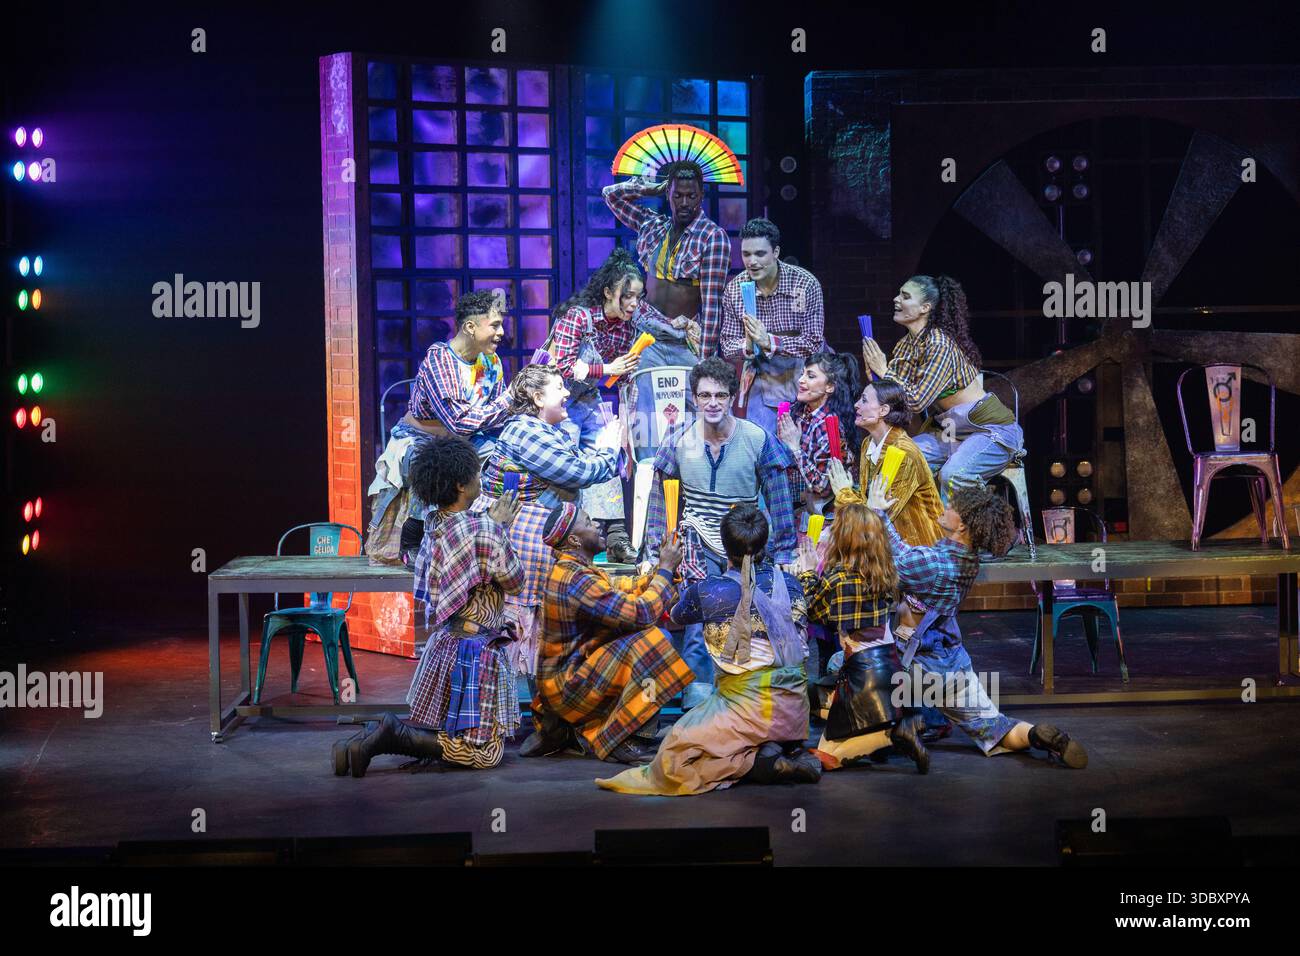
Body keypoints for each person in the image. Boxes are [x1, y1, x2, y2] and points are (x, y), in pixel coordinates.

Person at [856, 469, 1088, 768]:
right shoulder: (965, 560)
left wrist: (876, 513)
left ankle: (898, 726)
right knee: (995, 726)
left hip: (916, 666)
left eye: (951, 508)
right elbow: (910, 556)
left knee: (843, 666)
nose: (944, 509)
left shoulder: (936, 565)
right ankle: (1036, 736)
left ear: (962, 525)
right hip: (953, 663)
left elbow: (896, 561)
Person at [597, 504, 821, 794]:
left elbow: (672, 616)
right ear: (765, 542)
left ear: (722, 547)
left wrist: (666, 567)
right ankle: (775, 748)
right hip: (794, 711)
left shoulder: (707, 591)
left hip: (746, 708)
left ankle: (759, 764)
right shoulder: (791, 584)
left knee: (676, 753)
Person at [337, 435, 524, 776]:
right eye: (476, 474)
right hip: (473, 651)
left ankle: (361, 741)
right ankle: (391, 735)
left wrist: (494, 527)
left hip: (446, 644)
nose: (481, 479)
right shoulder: (483, 527)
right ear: (460, 484)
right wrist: (499, 529)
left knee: (456, 733)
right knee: (484, 754)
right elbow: (514, 579)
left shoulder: (434, 523)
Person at [643, 356, 797, 710]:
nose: (712, 402)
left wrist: (786, 551)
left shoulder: (756, 438)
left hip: (743, 540)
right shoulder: (679, 439)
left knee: (747, 618)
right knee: (699, 624)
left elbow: (780, 497)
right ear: (694, 399)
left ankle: (742, 698)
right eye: (705, 395)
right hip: (697, 539)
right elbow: (659, 498)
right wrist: (656, 551)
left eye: (720, 395)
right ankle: (698, 703)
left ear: (731, 399)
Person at [476, 365, 625, 677]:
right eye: (560, 388)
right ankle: (523, 707)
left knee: (543, 625)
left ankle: (541, 705)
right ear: (538, 397)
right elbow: (579, 473)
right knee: (527, 622)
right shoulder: (526, 431)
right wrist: (611, 446)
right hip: (521, 534)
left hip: (532, 531)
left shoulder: (543, 430)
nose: (567, 393)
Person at [521, 504, 694, 765]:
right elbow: (641, 612)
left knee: (641, 638)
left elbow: (626, 589)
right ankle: (628, 739)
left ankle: (587, 730)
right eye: (589, 523)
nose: (598, 526)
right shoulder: (575, 579)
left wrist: (662, 570)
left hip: (571, 679)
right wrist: (666, 570)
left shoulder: (579, 570)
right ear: (574, 540)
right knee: (654, 641)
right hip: (568, 686)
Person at [366, 290, 511, 565]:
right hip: (421, 441)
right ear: (470, 326)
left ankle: (489, 536)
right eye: (494, 325)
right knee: (439, 466)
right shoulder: (440, 359)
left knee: (510, 459)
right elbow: (458, 421)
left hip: (467, 440)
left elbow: (495, 417)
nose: (501, 332)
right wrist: (508, 401)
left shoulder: (492, 362)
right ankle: (415, 537)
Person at [861, 275, 1023, 502]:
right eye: (899, 294)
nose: (896, 299)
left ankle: (954, 536)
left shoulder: (939, 344)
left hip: (990, 432)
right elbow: (895, 398)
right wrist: (877, 378)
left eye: (905, 296)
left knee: (953, 475)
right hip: (951, 433)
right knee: (896, 460)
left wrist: (886, 371)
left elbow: (916, 401)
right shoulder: (905, 346)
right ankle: (912, 530)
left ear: (925, 308)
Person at [795, 498, 929, 773]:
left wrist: (807, 573)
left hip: (863, 679)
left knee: (826, 758)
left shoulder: (838, 579)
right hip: (890, 670)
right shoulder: (885, 572)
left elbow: (810, 612)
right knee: (818, 712)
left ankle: (893, 734)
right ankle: (887, 731)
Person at [546, 247, 648, 563]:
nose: (633, 304)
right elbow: (561, 366)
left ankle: (615, 537)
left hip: (589, 398)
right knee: (566, 467)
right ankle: (560, 537)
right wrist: (608, 370)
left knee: (607, 458)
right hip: (556, 400)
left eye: (638, 297)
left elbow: (612, 379)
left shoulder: (627, 327)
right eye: (626, 296)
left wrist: (625, 410)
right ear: (607, 292)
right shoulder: (578, 318)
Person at [602, 159, 731, 361]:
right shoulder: (654, 226)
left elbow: (712, 305)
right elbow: (610, 195)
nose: (685, 203)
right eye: (678, 195)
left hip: (680, 337)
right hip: (644, 330)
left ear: (701, 196)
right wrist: (649, 189)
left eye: (691, 196)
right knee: (640, 391)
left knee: (691, 391)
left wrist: (705, 361)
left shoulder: (712, 236)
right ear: (668, 193)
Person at [721, 218, 827, 434]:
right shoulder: (735, 289)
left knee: (807, 442)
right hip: (763, 373)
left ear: (776, 252)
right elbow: (727, 345)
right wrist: (749, 345)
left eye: (760, 254)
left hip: (805, 368)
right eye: (746, 254)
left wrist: (770, 341)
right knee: (763, 442)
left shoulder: (804, 284)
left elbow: (814, 342)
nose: (752, 261)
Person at [854, 378, 944, 547]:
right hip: (885, 538)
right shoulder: (868, 443)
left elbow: (883, 512)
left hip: (918, 548)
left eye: (864, 400)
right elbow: (867, 501)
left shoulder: (904, 453)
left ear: (883, 410)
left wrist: (843, 493)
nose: (856, 405)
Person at [776, 350, 859, 527]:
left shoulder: (829, 427)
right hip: (799, 506)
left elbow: (822, 486)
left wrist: (795, 447)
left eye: (810, 376)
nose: (801, 380)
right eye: (802, 373)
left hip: (826, 517)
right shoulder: (799, 412)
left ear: (830, 386)